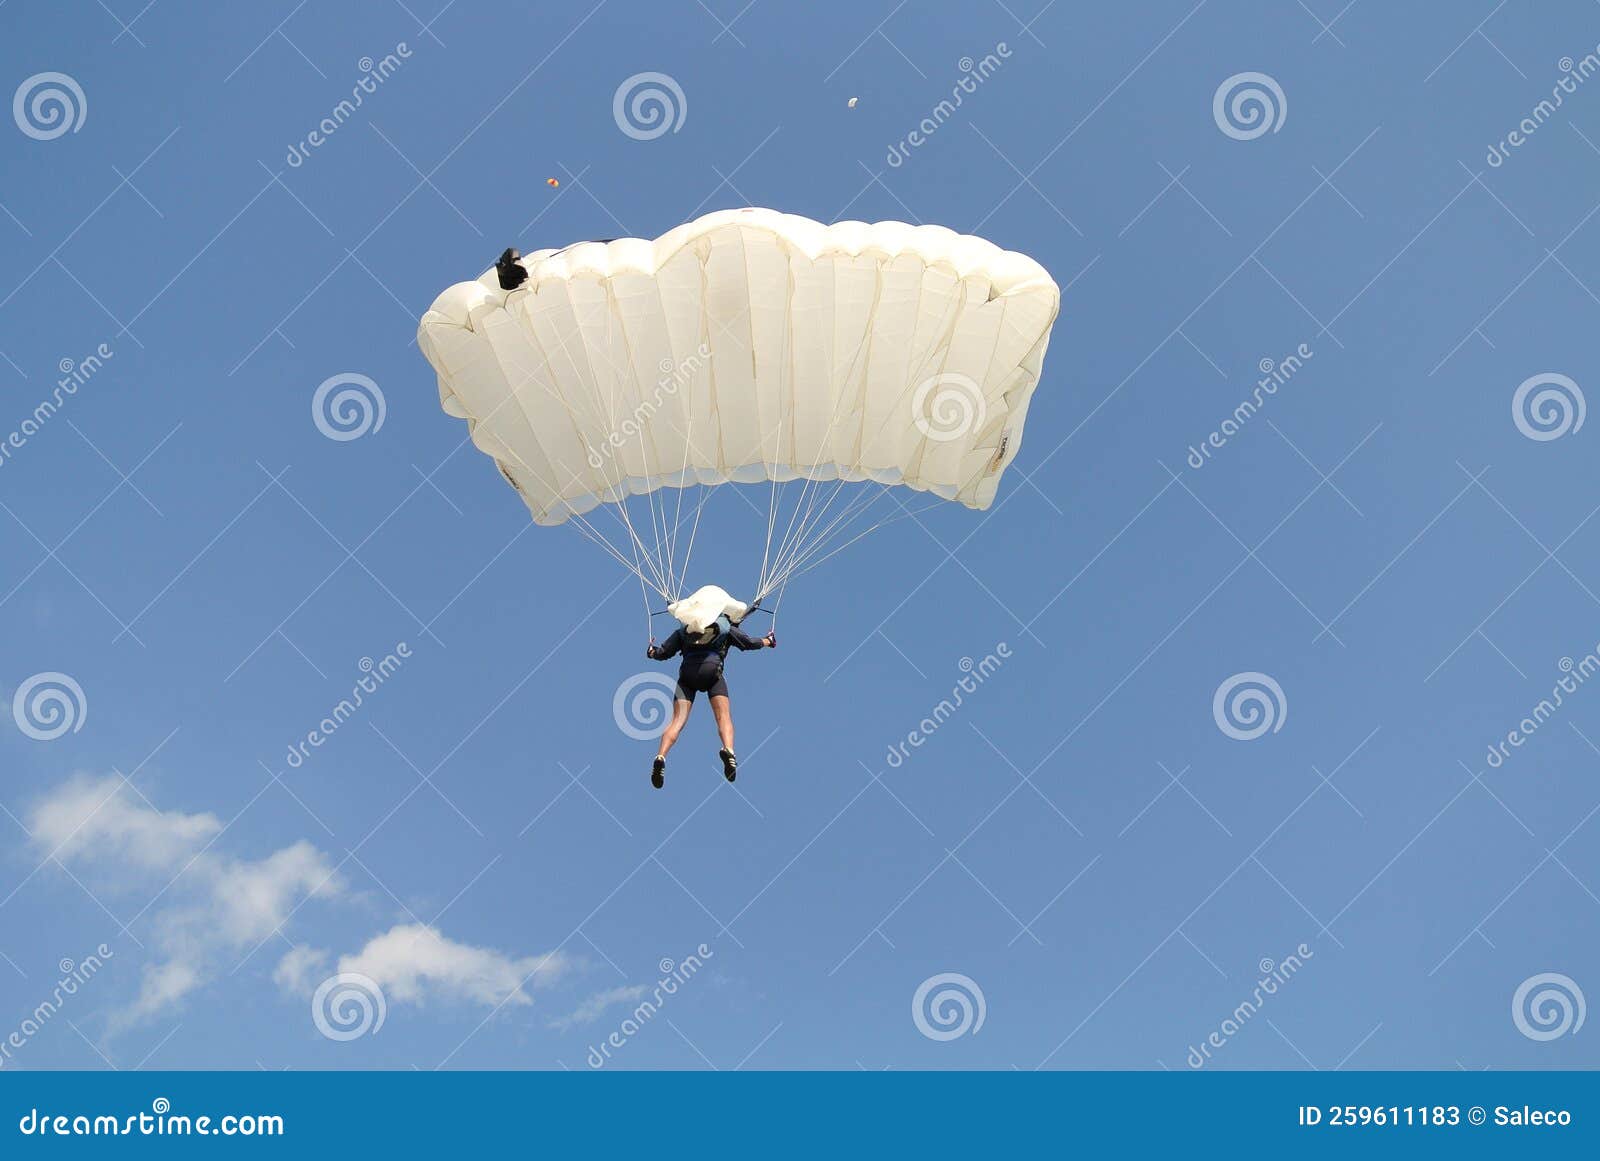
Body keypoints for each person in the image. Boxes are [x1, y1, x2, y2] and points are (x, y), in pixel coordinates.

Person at [645, 616, 775, 788]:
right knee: (723, 717)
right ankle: (728, 749)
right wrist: (768, 641)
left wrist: (651, 652)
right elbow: (748, 643)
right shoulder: (725, 627)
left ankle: (661, 756)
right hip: (712, 671)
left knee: (677, 721)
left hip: (687, 675)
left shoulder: (685, 629)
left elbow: (663, 653)